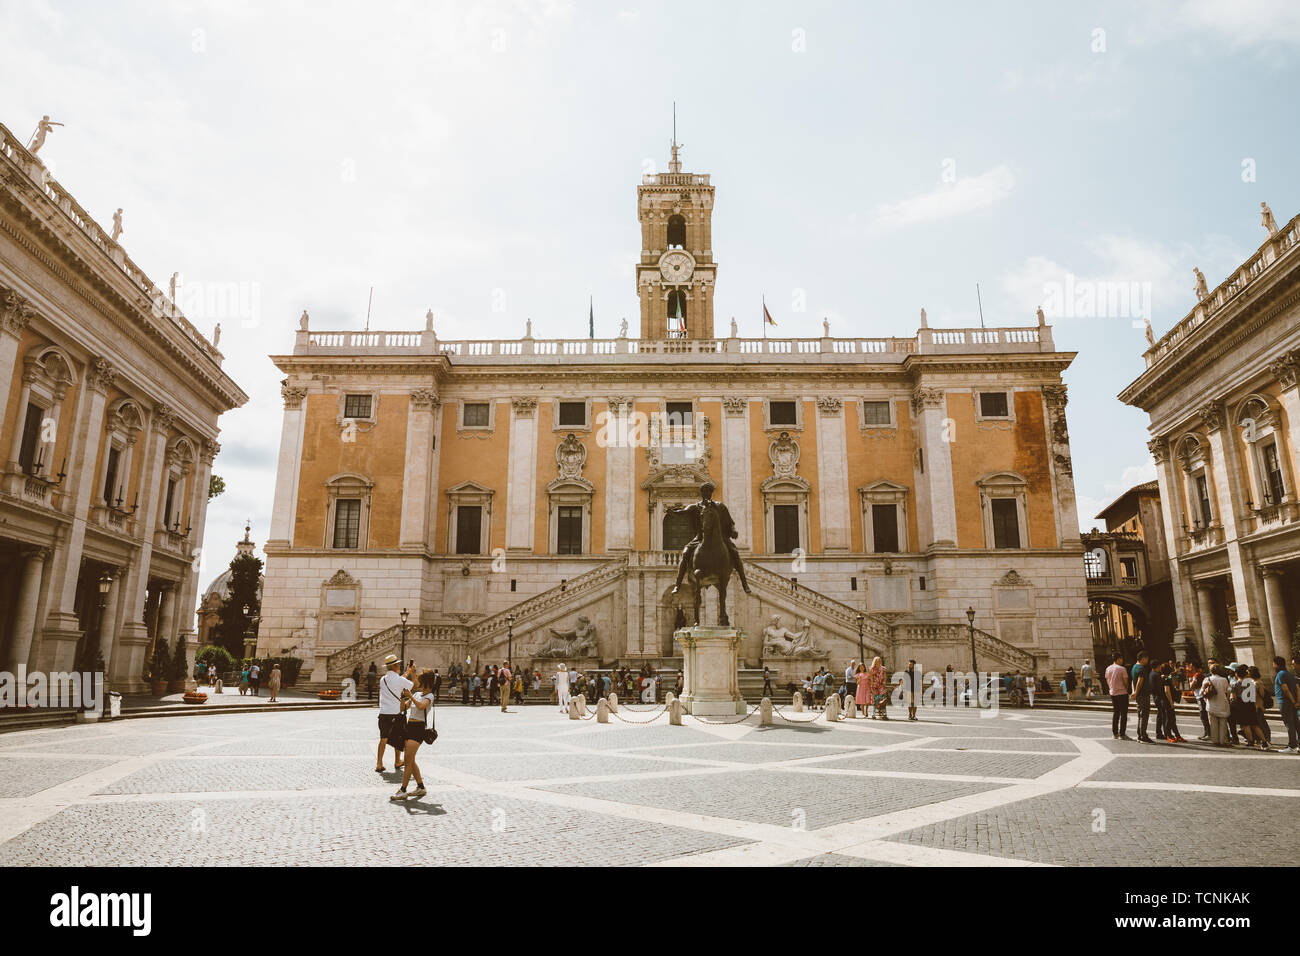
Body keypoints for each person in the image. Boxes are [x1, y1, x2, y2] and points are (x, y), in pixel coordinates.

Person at [391, 669, 435, 801]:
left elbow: (422, 707)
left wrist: (410, 696)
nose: (417, 682)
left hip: (418, 729)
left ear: (425, 682)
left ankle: (403, 790)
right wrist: (403, 698)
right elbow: (403, 708)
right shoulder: (416, 694)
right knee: (411, 759)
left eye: (420, 680)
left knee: (408, 759)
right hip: (409, 727)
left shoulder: (430, 696)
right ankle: (420, 787)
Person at [375, 654, 410, 773]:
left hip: (384, 713)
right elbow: (410, 685)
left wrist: (405, 673)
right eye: (398, 664)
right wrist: (409, 673)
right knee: (398, 738)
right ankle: (397, 761)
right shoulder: (399, 679)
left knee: (383, 739)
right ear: (395, 666)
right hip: (396, 713)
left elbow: (397, 682)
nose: (399, 666)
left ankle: (379, 763)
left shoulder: (382, 679)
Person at [1273, 657, 1299, 754]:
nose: (1273, 666)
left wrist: (1293, 701)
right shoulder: (1290, 674)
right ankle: (1297, 744)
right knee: (1296, 723)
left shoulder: (1280, 674)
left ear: (1276, 664)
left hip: (1285, 702)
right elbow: (1297, 688)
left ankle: (1292, 745)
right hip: (1292, 702)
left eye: (1273, 664)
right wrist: (1297, 701)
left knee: (1289, 724)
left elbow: (1285, 689)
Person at [1203, 665, 1231, 747]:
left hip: (1211, 704)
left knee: (1213, 723)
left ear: (1211, 671)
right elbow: (1229, 689)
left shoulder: (1207, 680)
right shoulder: (1224, 680)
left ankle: (1215, 740)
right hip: (1222, 702)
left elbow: (1202, 691)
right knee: (1223, 723)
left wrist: (1206, 699)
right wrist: (1228, 696)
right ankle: (1223, 740)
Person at [1104, 653, 1131, 740]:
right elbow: (1125, 681)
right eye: (1121, 658)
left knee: (1116, 713)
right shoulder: (1122, 669)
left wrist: (1111, 688)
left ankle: (1115, 733)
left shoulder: (1108, 668)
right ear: (1118, 659)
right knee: (1123, 714)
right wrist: (1126, 689)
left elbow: (1107, 680)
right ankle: (1122, 733)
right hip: (1122, 692)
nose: (1122, 660)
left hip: (1113, 693)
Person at [1130, 652, 1154, 743]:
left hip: (1138, 695)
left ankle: (1140, 735)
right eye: (1147, 659)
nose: (1147, 661)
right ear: (1143, 658)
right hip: (1143, 694)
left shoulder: (1134, 667)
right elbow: (1140, 681)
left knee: (1140, 715)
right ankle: (1143, 736)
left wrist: (1133, 691)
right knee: (1144, 715)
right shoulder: (1141, 669)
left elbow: (1133, 681)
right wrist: (1136, 691)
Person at [1193, 659, 1214, 740]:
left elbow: (1193, 686)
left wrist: (1192, 683)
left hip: (1200, 697)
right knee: (1204, 715)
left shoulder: (1197, 675)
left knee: (1203, 715)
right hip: (1201, 697)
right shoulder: (1202, 674)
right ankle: (1207, 732)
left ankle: (1208, 733)